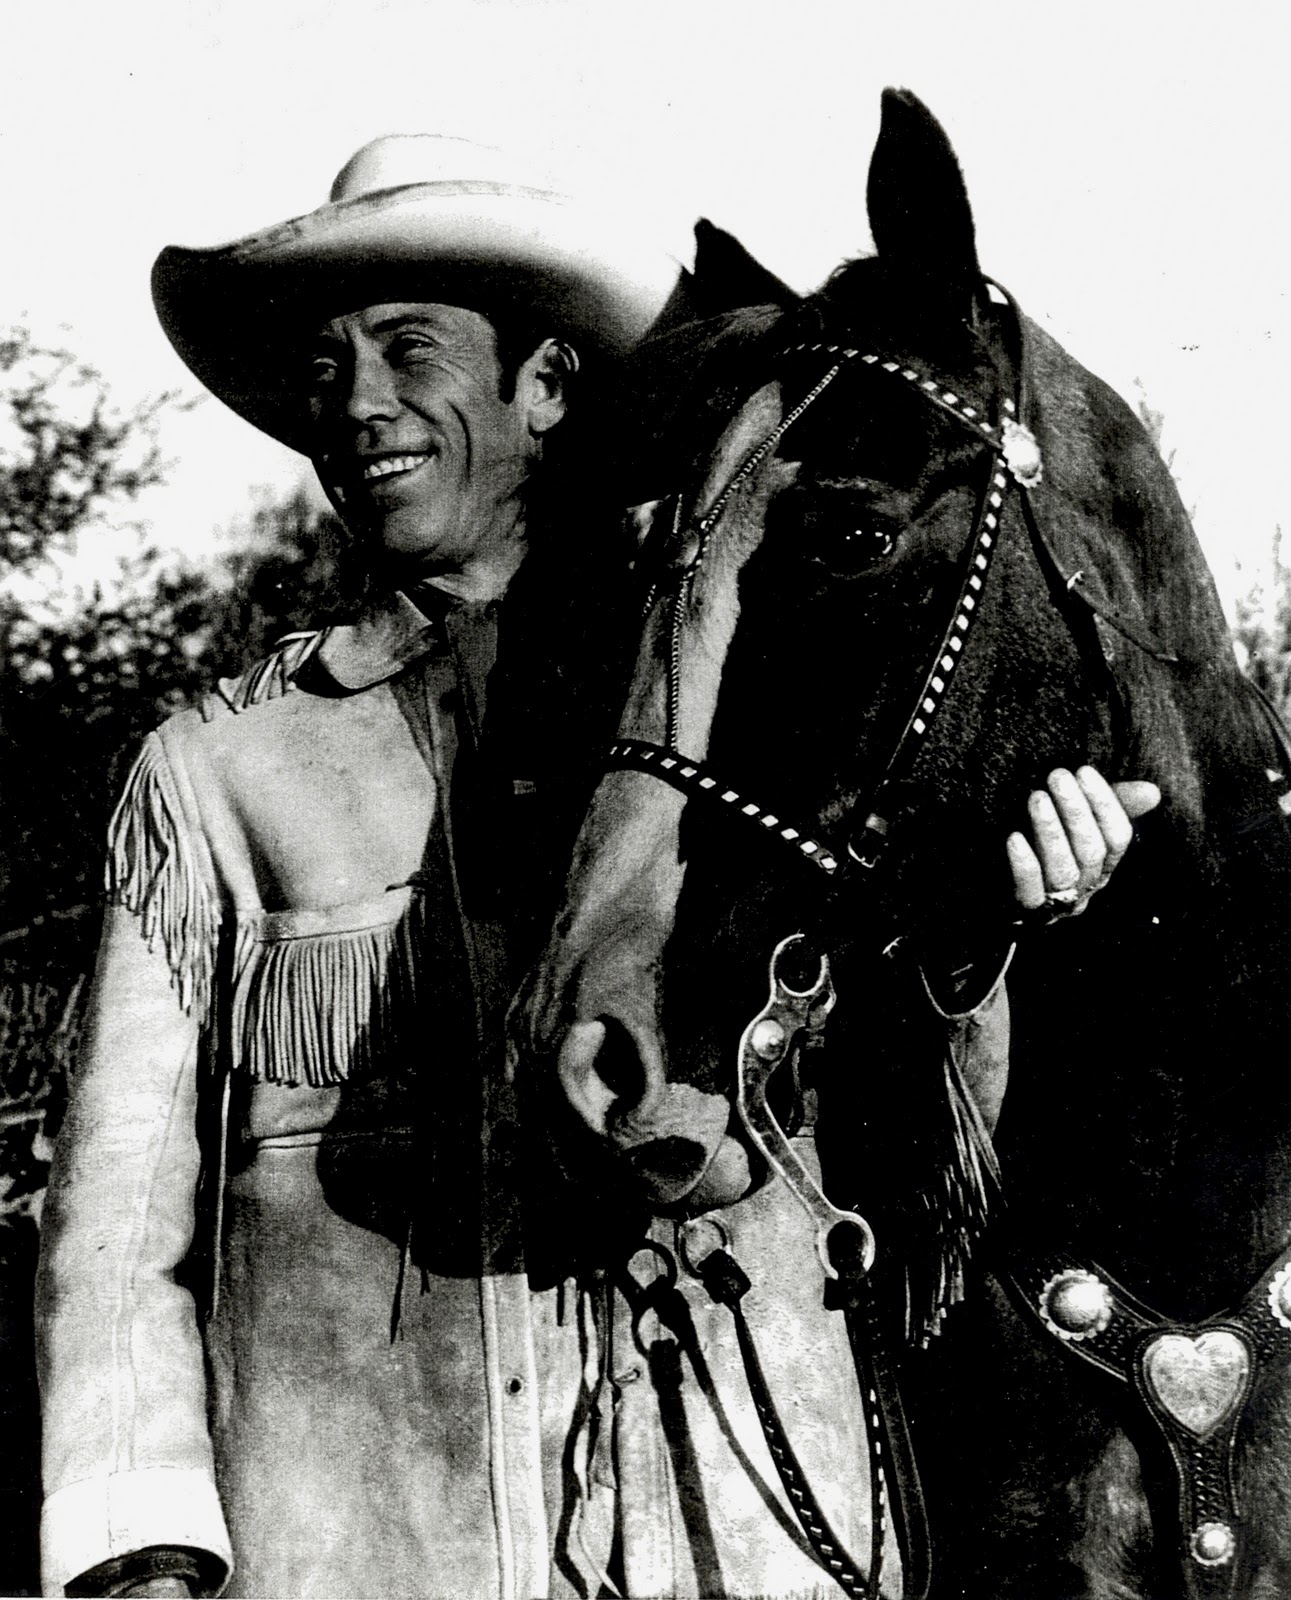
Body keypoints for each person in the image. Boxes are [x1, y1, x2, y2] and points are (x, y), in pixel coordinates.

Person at [34, 135, 1157, 1600]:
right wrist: (139, 1558)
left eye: (410, 349)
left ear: (550, 386)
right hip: (369, 1547)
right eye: (326, 368)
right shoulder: (215, 774)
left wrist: (984, 938)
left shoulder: (758, 722)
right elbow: (118, 1225)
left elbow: (912, 1152)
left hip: (742, 1533)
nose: (358, 404)